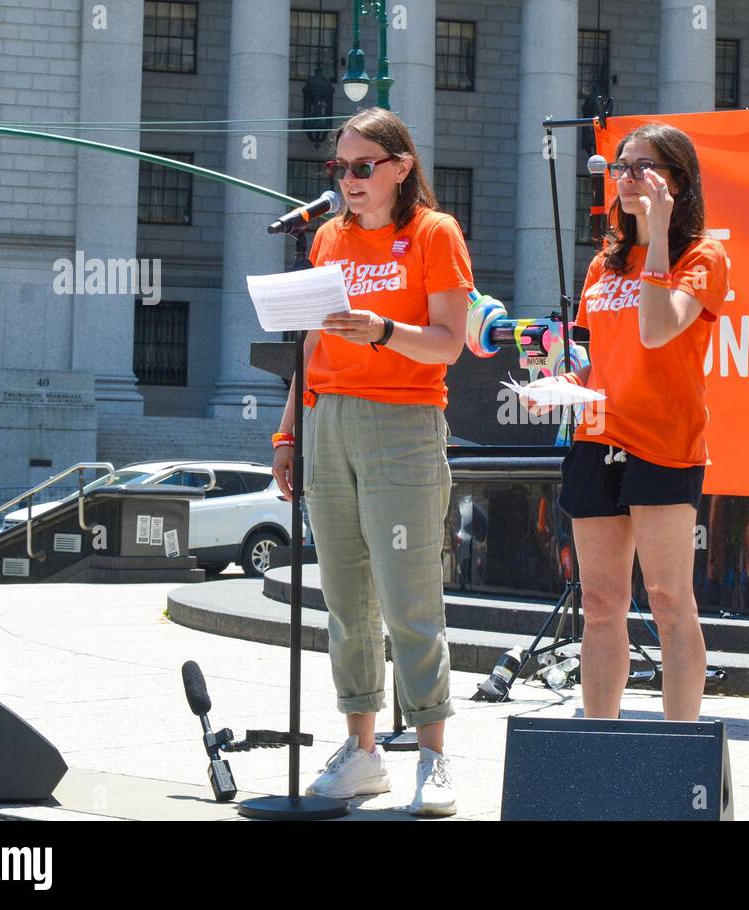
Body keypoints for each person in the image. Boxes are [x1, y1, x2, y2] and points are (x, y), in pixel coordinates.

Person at [271, 108, 472, 816]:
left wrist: (385, 330)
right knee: (345, 600)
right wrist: (287, 433)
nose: (350, 180)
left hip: (403, 423)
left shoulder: (433, 234)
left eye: (364, 167)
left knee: (409, 595)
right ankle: (361, 753)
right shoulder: (325, 236)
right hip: (329, 421)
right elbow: (311, 350)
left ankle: (434, 757)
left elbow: (448, 343)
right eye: (340, 168)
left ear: (401, 166)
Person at [525, 123, 729, 721]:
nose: (629, 176)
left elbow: (657, 329)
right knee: (601, 602)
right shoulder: (602, 266)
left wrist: (659, 237)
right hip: (596, 438)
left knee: (669, 600)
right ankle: (596, 746)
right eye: (623, 166)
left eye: (644, 166)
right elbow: (598, 359)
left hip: (664, 442)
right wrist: (562, 388)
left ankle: (678, 751)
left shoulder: (704, 255)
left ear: (678, 180)